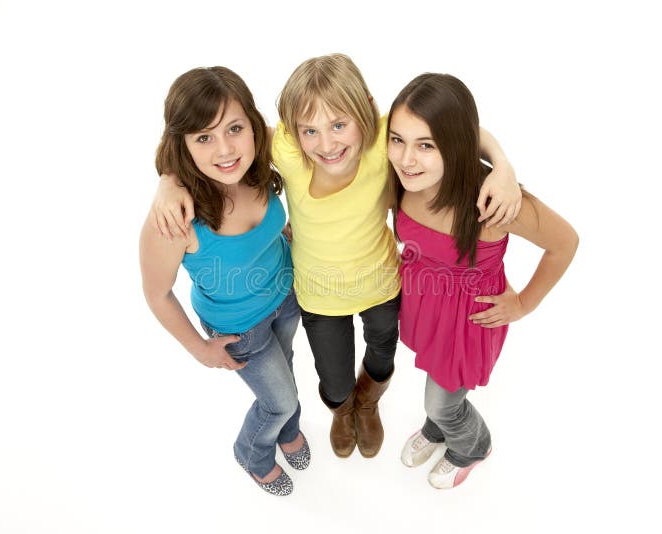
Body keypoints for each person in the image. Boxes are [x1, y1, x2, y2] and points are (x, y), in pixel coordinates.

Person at [148, 54, 522, 459]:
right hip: (318, 294)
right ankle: (344, 408)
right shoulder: (289, 153)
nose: (326, 145)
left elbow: (456, 130)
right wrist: (168, 180)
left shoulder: (382, 143)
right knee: (335, 377)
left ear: (365, 108)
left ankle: (369, 402)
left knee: (382, 356)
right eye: (310, 130)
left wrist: (502, 164)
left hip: (381, 285)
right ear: (294, 131)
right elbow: (219, 143)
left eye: (340, 125)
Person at [387, 73, 578, 489]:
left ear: (454, 146)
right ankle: (437, 427)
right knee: (437, 384)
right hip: (425, 303)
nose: (406, 159)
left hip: (468, 321)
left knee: (443, 400)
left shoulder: (493, 202)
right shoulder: (401, 180)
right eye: (397, 140)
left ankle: (470, 445)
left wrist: (525, 303)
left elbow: (565, 242)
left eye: (426, 146)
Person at [139, 67, 309, 496]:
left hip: (286, 296)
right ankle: (252, 452)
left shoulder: (260, 161)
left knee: (286, 371)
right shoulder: (173, 219)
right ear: (183, 144)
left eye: (235, 128)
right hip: (239, 328)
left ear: (253, 126)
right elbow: (157, 294)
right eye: (204, 138)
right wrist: (199, 349)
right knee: (279, 398)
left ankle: (289, 430)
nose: (226, 149)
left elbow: (317, 135)